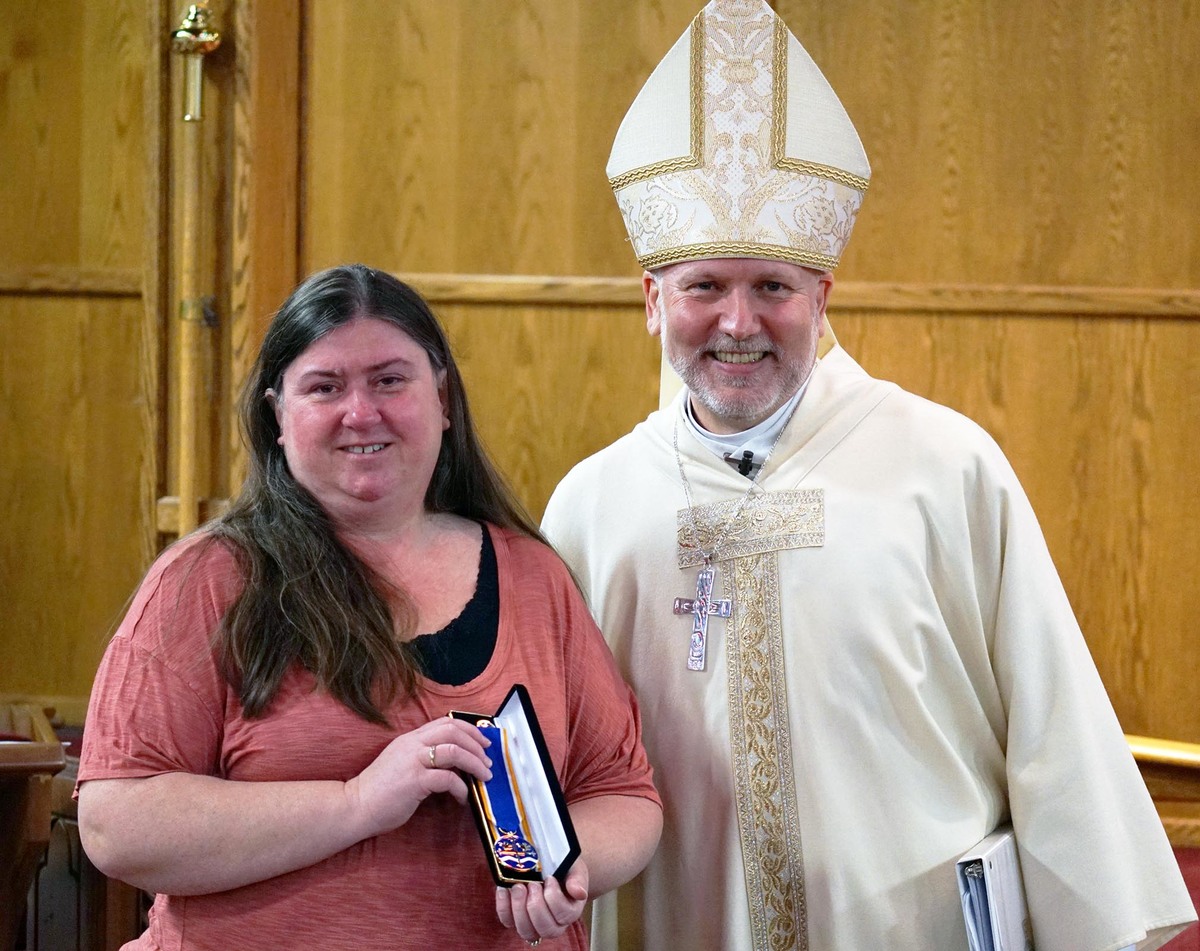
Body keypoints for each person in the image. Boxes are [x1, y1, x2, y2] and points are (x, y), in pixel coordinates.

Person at [540, 2, 1197, 950]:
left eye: (772, 286)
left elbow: (1057, 733)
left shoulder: (945, 470)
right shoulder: (593, 509)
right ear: (651, 300)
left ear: (822, 296)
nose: (737, 324)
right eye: (703, 288)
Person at [76, 264, 662, 950]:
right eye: (325, 387)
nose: (361, 412)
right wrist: (357, 801)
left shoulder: (533, 575)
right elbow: (116, 823)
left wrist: (561, 863)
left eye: (389, 380)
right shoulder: (206, 581)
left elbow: (624, 793)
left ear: (442, 397)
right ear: (278, 416)